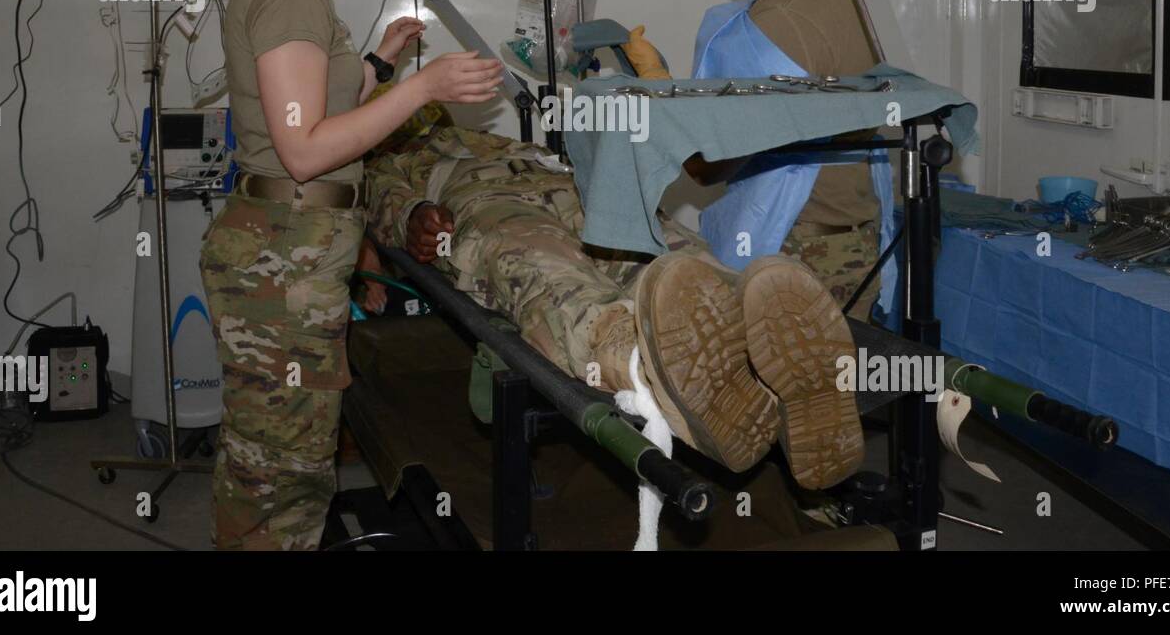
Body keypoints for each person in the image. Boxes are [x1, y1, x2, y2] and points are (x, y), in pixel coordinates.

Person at [198, 0, 503, 551]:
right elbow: (304, 151)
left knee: (275, 455)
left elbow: (317, 105)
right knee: (282, 470)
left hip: (290, 251)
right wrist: (427, 85)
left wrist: (381, 63)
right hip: (285, 260)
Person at [360, 123, 864, 491]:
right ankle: (639, 362)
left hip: (579, 195)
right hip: (486, 207)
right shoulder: (395, 161)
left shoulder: (508, 140)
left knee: (672, 262)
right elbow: (380, 202)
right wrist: (414, 215)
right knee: (542, 269)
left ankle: (750, 332)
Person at [628, 0, 888, 322]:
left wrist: (656, 83)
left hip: (793, 251)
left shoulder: (779, 16)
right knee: (836, 388)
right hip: (856, 240)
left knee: (772, 397)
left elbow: (707, 162)